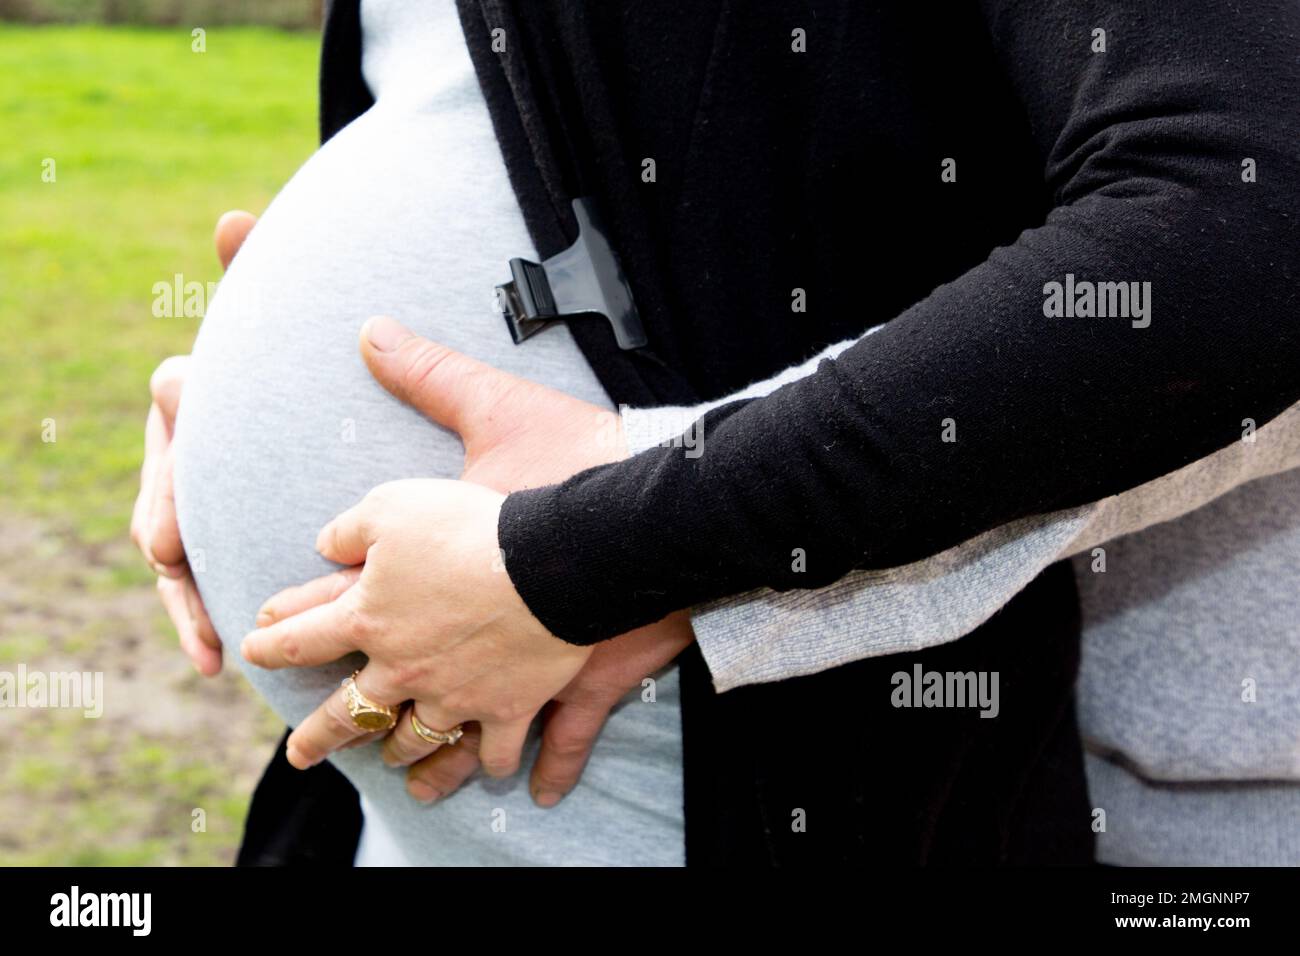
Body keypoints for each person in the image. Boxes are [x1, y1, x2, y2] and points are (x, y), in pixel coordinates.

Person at [133, 0, 1300, 865]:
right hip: (411, 796)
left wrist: (610, 541)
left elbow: (1234, 229)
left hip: (747, 764)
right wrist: (243, 374)